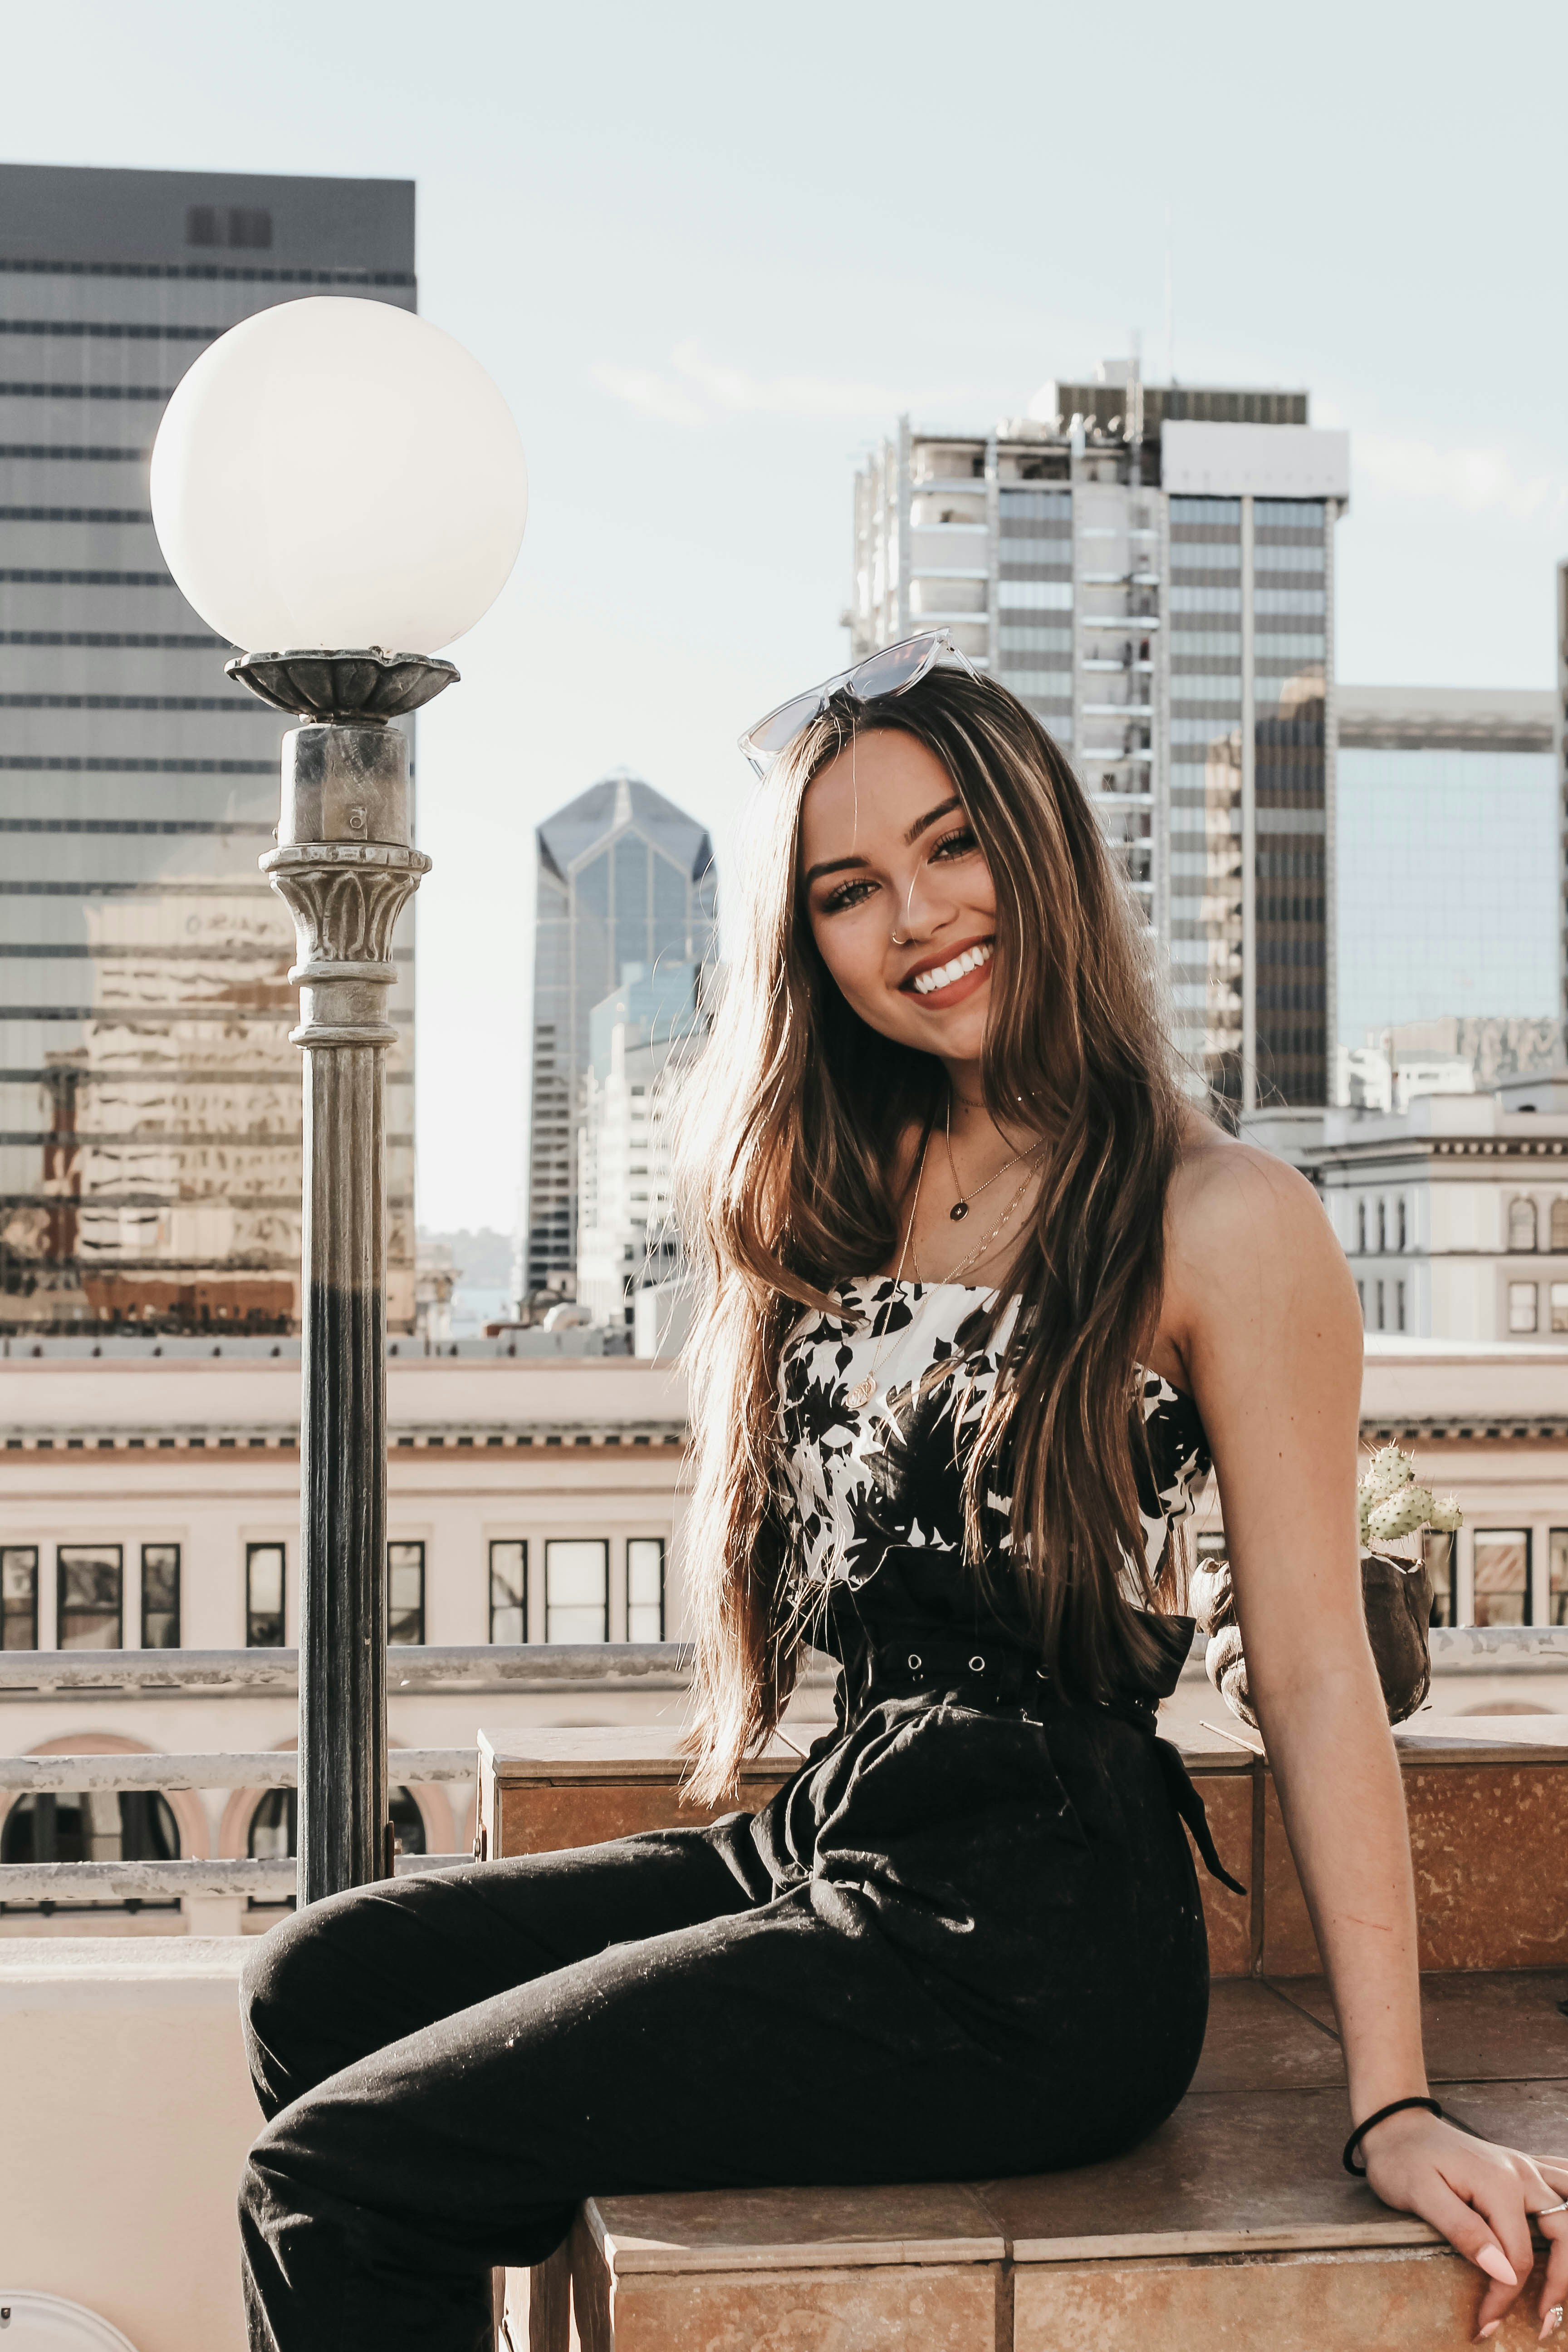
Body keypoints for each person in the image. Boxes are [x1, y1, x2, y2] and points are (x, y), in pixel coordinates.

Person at [238, 642, 1567, 2351]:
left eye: (955, 845)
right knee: (322, 1981)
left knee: (336, 2175)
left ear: (1042, 844)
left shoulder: (1222, 1215)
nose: (919, 916)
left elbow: (1315, 1669)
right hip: (848, 1826)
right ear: (809, 944)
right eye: (849, 888)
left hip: (1041, 1929)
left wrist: (1394, 2105)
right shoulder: (848, 1184)